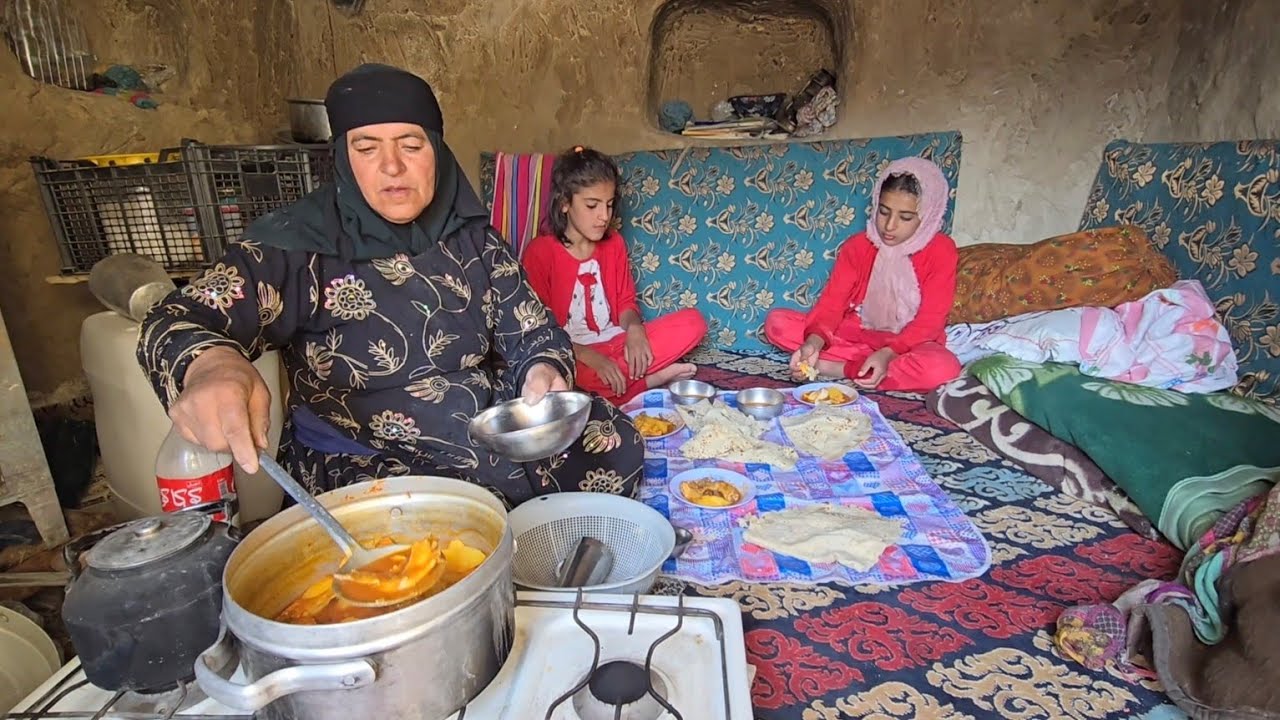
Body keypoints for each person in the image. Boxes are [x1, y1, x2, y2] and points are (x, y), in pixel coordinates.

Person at [137, 64, 643, 507]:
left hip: (486, 426)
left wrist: (542, 370)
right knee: (444, 538)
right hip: (370, 453)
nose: (393, 166)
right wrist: (212, 366)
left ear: (436, 151)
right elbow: (177, 317)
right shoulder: (296, 247)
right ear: (342, 156)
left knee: (612, 444)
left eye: (411, 145)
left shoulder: (472, 237)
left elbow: (533, 329)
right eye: (367, 147)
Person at [522, 147, 707, 404]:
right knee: (561, 378)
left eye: (609, 205)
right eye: (592, 205)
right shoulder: (540, 252)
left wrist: (635, 329)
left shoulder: (614, 244)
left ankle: (617, 385)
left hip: (615, 342)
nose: (604, 216)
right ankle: (650, 381)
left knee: (693, 323)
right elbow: (539, 329)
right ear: (564, 203)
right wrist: (591, 357)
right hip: (571, 352)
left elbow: (625, 305)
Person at [763, 156, 962, 392]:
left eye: (905, 218)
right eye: (884, 212)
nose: (889, 226)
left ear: (928, 214)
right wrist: (813, 343)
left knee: (942, 369)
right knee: (778, 323)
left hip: (911, 343)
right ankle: (863, 367)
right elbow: (832, 304)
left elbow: (930, 321)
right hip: (857, 335)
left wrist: (889, 352)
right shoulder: (857, 246)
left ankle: (838, 368)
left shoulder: (941, 250)